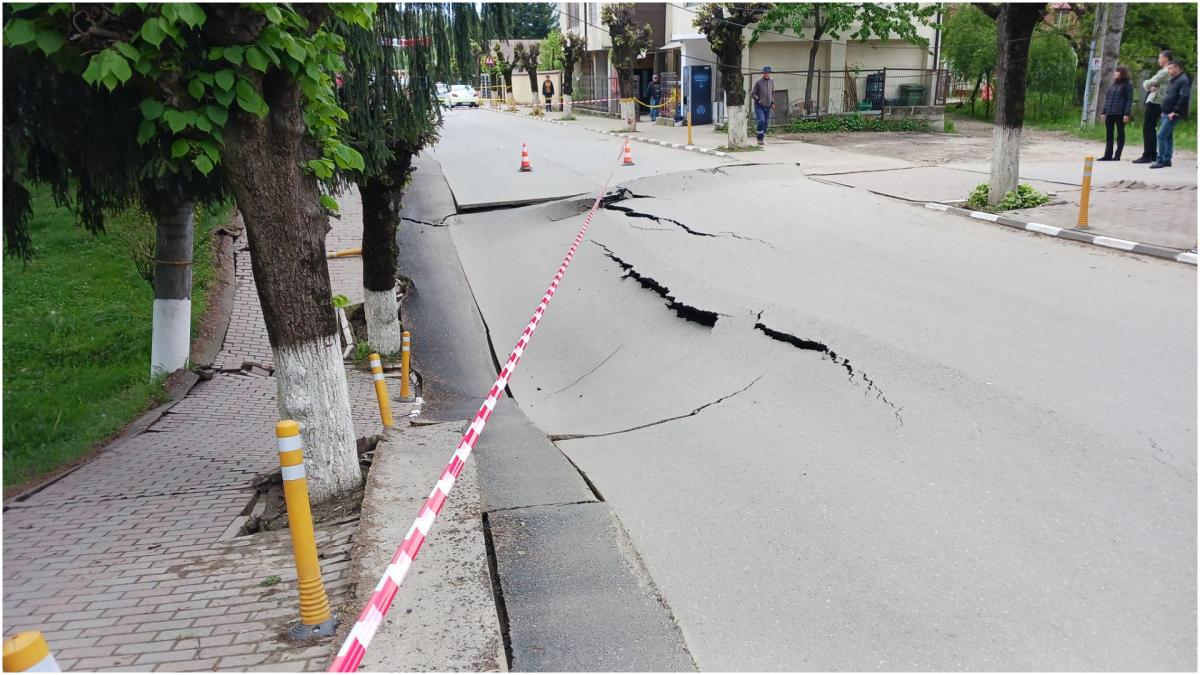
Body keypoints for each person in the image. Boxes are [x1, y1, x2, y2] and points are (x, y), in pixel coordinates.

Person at [1134, 50, 1172, 164]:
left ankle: (1148, 154)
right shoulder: (1169, 71)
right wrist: (1150, 85)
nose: (1159, 60)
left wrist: (1148, 84)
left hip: (1155, 101)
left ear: (1165, 58)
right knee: (1152, 128)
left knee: (1148, 128)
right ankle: (1153, 154)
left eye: (1160, 58)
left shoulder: (1165, 71)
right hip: (1160, 101)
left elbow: (1148, 82)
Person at [1151, 61, 1190, 169]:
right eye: (1168, 69)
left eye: (1170, 69)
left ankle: (1161, 160)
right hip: (1166, 112)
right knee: (1168, 136)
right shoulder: (1173, 80)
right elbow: (1170, 95)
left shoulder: (1183, 80)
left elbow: (1184, 97)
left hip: (1173, 113)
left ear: (1177, 68)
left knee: (1161, 135)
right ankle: (1167, 159)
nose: (1168, 71)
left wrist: (1176, 111)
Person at [1099, 66, 1133, 161]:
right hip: (1110, 112)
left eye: (1117, 72)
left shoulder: (1128, 84)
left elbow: (1129, 100)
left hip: (1120, 113)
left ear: (1122, 73)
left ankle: (1117, 155)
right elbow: (1108, 99)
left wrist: (1127, 114)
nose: (1114, 73)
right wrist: (1104, 111)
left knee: (1120, 133)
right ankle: (1107, 155)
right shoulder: (1113, 84)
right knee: (1109, 133)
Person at [751, 66, 775, 146]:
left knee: (766, 124)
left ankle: (762, 137)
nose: (767, 74)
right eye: (765, 73)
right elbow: (753, 93)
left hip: (768, 106)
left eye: (768, 73)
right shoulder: (758, 82)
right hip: (759, 106)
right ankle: (759, 138)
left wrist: (772, 103)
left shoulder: (772, 81)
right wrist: (758, 100)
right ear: (763, 73)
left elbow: (772, 93)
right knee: (761, 121)